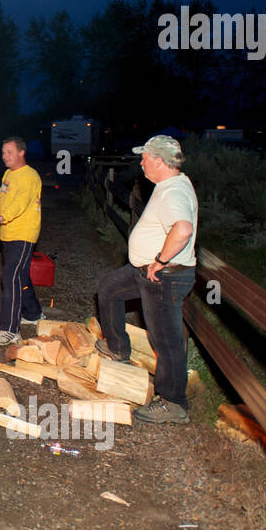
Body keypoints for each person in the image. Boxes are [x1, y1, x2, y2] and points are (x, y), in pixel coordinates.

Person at [94, 135, 198, 424]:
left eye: (145, 158)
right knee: (109, 289)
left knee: (165, 339)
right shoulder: (169, 185)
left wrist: (161, 260)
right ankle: (117, 348)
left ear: (160, 161)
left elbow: (184, 228)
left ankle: (173, 402)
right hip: (144, 272)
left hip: (163, 277)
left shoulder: (173, 191)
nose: (141, 163)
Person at [0, 137, 43, 345]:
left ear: (21, 152)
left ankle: (10, 330)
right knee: (20, 276)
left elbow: (19, 204)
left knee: (10, 277)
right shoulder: (9, 174)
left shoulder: (29, 176)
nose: (4, 156)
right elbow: (3, 200)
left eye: (9, 152)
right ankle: (34, 314)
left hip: (23, 233)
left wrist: (0, 219)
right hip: (8, 234)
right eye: (3, 152)